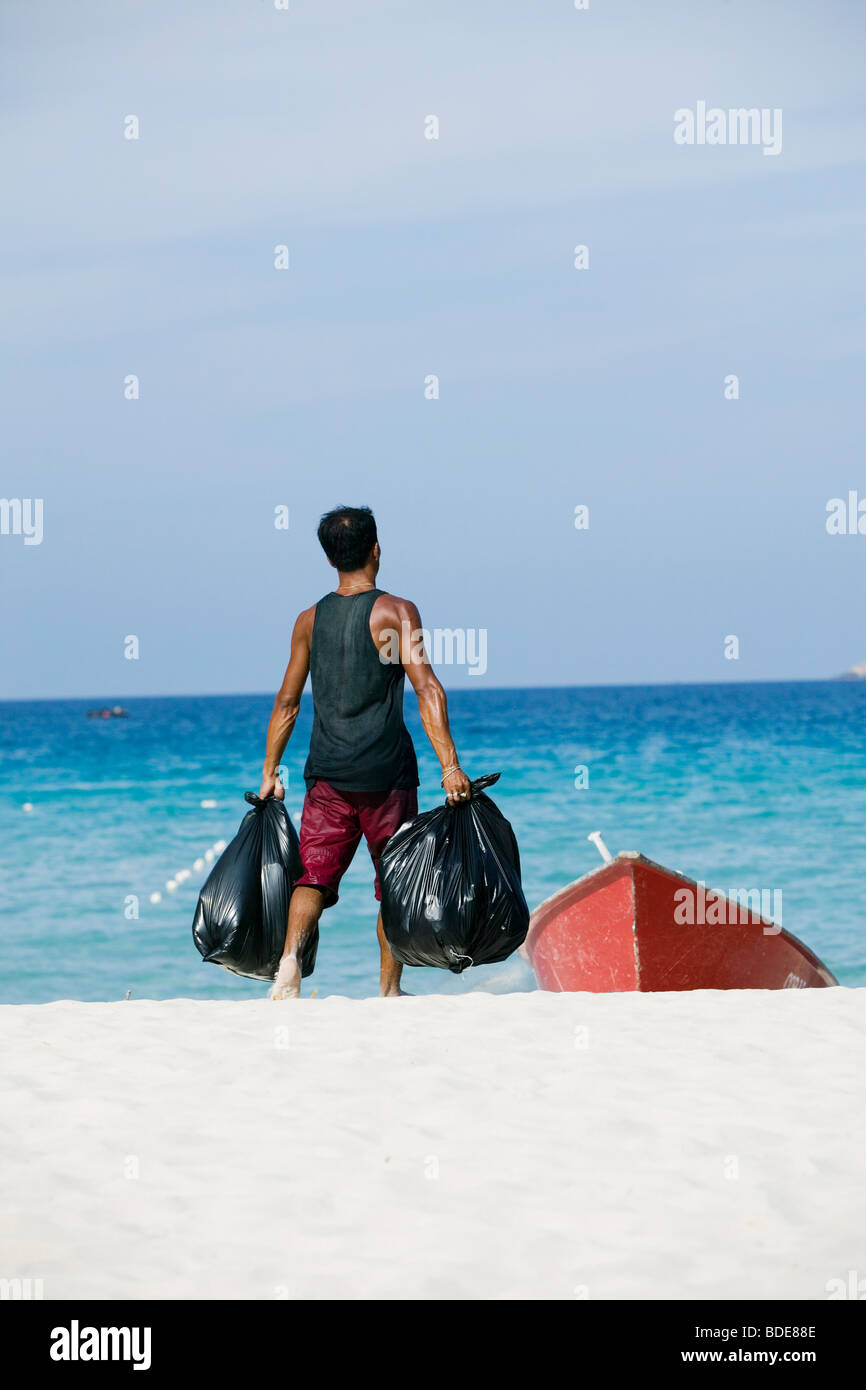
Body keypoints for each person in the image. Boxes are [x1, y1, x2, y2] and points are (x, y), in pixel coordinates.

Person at [259, 505, 471, 998]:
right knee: (393, 881)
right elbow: (427, 690)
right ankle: (389, 991)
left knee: (313, 874)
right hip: (387, 776)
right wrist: (451, 767)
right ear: (376, 550)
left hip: (327, 775)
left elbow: (287, 702)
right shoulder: (396, 612)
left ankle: (289, 962)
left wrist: (270, 771)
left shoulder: (308, 621)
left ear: (330, 558)